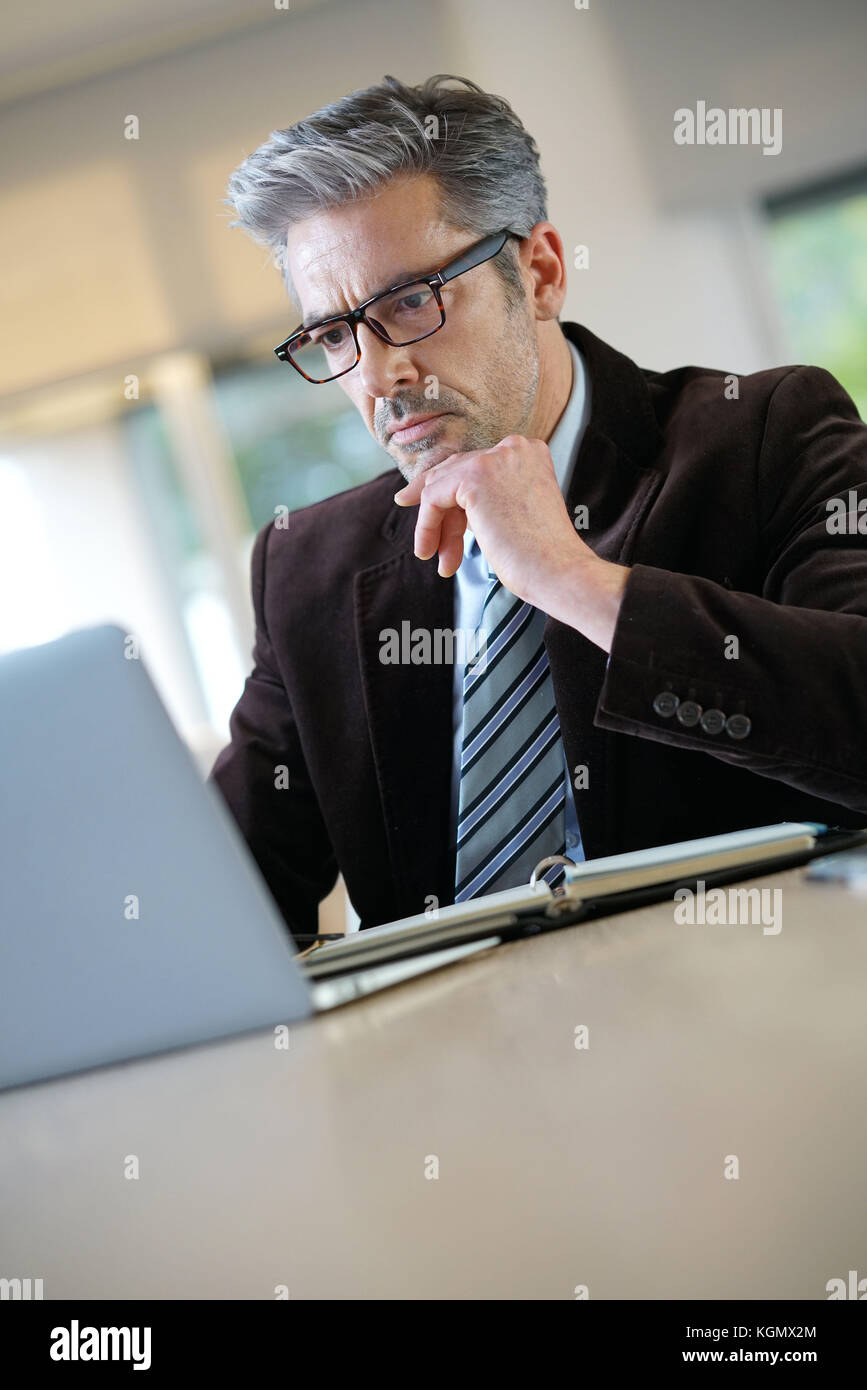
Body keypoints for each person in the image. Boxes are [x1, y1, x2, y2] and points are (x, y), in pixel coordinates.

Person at [208, 73, 867, 943]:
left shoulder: (762, 436)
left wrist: (570, 577)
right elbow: (222, 901)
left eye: (410, 301)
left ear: (541, 272)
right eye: (334, 333)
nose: (378, 378)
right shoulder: (306, 568)